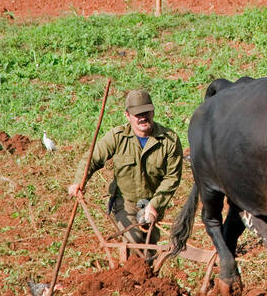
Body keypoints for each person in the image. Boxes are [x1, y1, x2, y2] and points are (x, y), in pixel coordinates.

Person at [69, 89, 183, 259]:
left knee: (149, 250)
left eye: (146, 112)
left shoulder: (169, 140)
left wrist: (155, 205)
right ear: (128, 116)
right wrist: (79, 181)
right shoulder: (117, 137)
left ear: (153, 112)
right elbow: (92, 159)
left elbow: (172, 177)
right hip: (126, 202)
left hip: (153, 201)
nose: (143, 117)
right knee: (134, 248)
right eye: (137, 114)